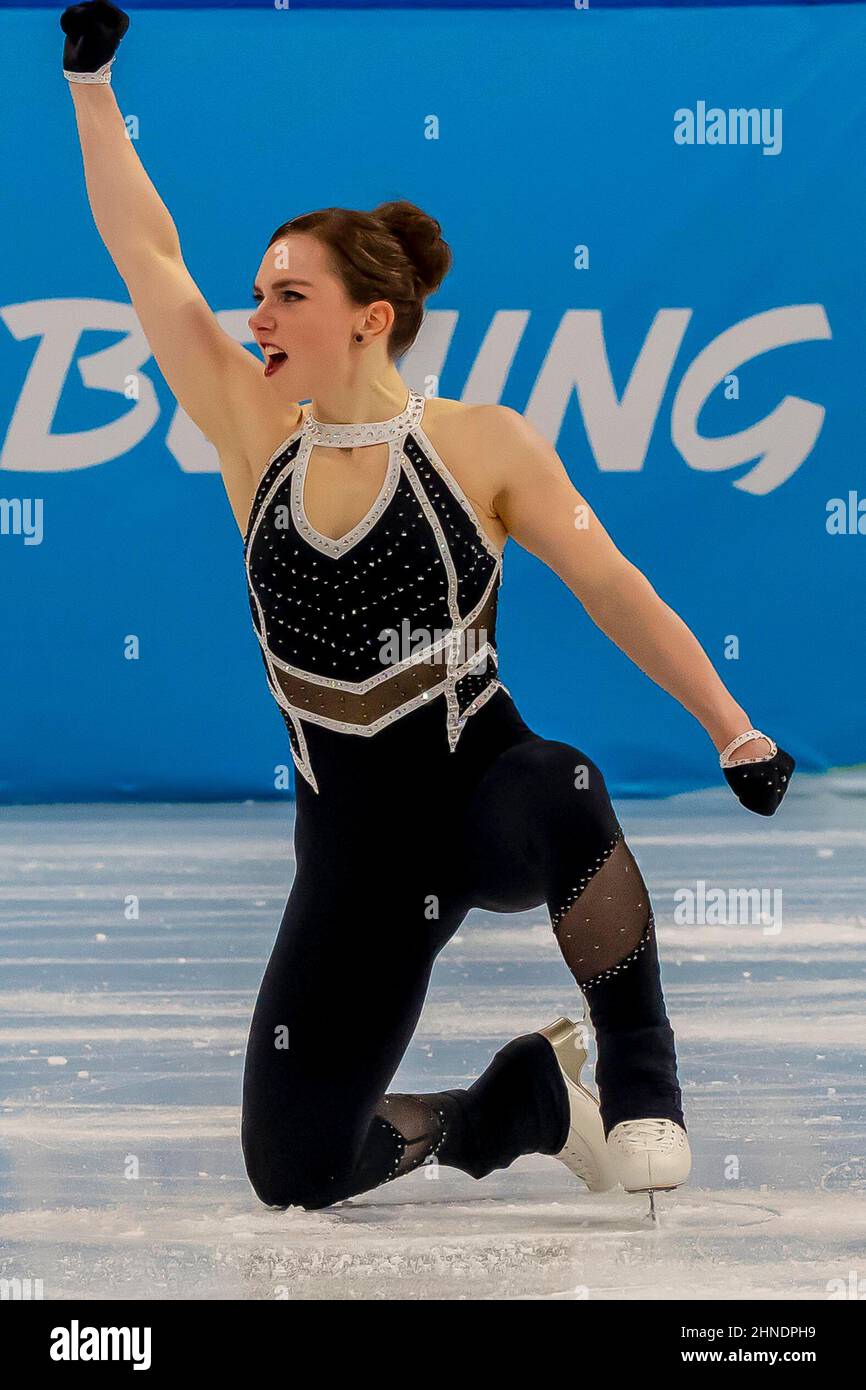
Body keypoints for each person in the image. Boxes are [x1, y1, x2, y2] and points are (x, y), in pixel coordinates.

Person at [61, 1, 795, 1212]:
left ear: (369, 316)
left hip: (476, 798)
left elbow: (613, 585)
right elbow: (150, 263)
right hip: (349, 850)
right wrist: (91, 89)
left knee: (561, 784)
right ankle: (521, 1107)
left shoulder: (481, 446)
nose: (256, 317)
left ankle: (643, 1085)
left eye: (286, 295)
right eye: (257, 292)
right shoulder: (259, 442)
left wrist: (732, 727)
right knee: (295, 1172)